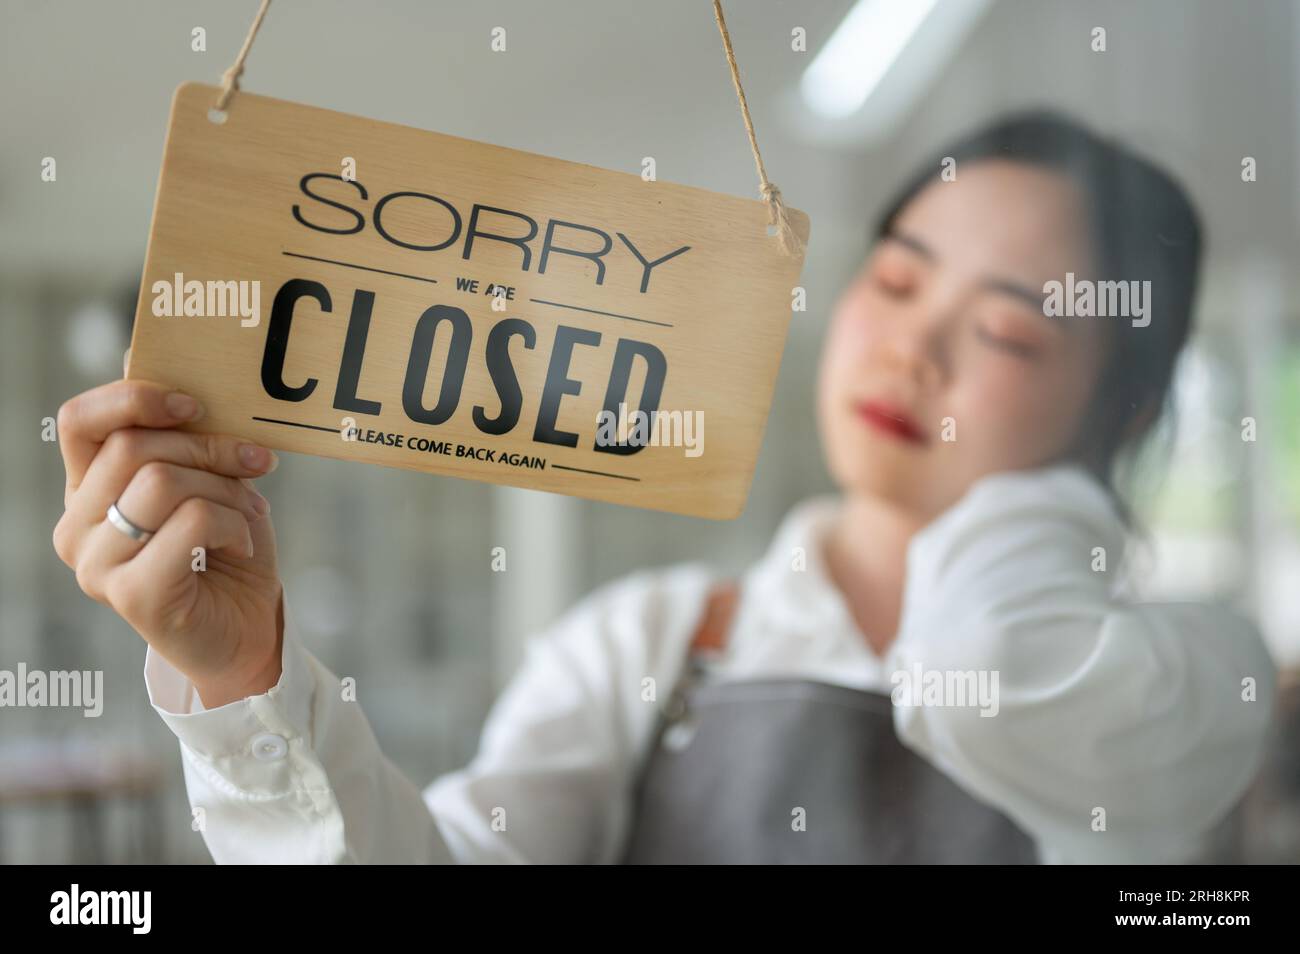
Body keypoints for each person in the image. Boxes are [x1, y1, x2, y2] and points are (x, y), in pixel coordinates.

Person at [52, 112, 1275, 864]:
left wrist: (1060, 493)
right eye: (897, 285)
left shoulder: (1185, 672)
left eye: (1007, 334)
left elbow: (998, 673)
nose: (913, 352)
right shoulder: (649, 639)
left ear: (1122, 406)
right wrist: (240, 676)